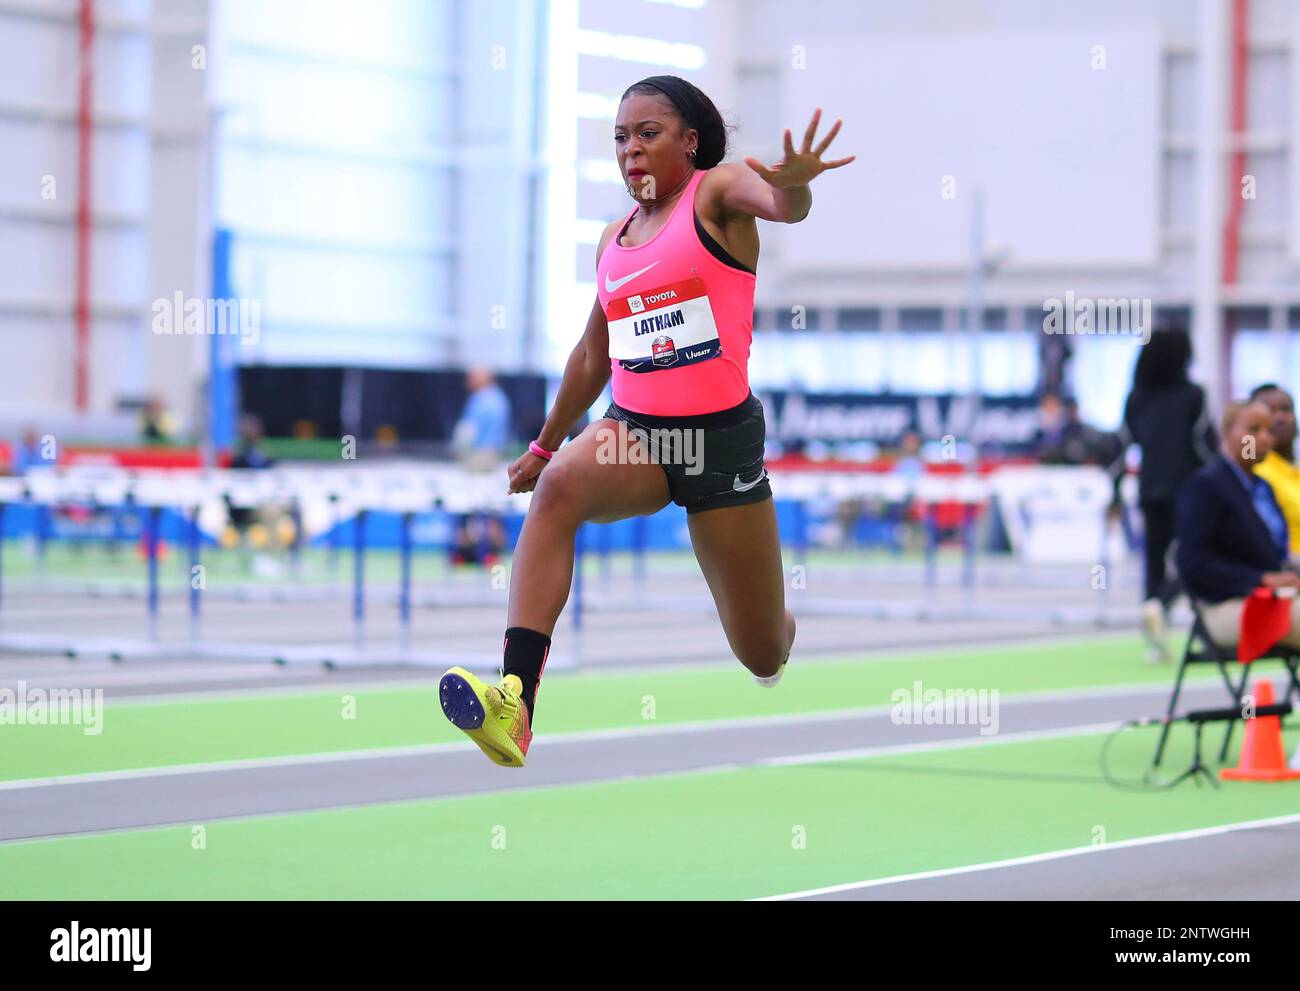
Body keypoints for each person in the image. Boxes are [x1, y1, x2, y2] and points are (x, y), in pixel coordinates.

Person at [438, 74, 854, 766]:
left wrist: (798, 184)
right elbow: (592, 357)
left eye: (648, 135)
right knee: (559, 492)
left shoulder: (717, 191)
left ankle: (777, 629)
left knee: (760, 648)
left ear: (690, 142)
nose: (631, 151)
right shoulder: (614, 240)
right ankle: (515, 704)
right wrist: (545, 444)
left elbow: (783, 203)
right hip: (635, 433)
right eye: (621, 139)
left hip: (720, 446)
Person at [1106, 327, 1217, 662]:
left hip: (1150, 489)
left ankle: (1154, 631)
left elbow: (1122, 449)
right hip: (1189, 490)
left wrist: (1113, 492)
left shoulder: (1136, 397)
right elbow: (1204, 445)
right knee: (1196, 557)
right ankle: (1171, 606)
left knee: (1153, 562)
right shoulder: (1193, 395)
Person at [1175, 401, 1298, 647]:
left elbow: (1277, 555)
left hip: (1276, 599)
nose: (1263, 438)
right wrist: (1259, 579)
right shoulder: (1206, 486)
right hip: (1224, 606)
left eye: (1270, 431)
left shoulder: (1265, 488)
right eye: (1253, 430)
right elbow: (1192, 564)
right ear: (1227, 433)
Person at [1249, 383, 1300, 562]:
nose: (1280, 418)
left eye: (1286, 409)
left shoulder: (1295, 468)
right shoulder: (1255, 473)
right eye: (1270, 411)